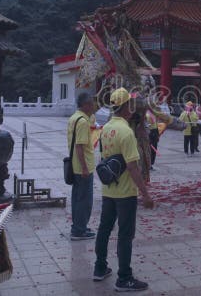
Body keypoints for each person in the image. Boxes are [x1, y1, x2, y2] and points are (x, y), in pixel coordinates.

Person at [94, 88, 155, 291]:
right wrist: (145, 193)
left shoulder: (106, 128)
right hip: (126, 192)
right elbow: (132, 166)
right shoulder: (126, 132)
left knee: (104, 229)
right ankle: (124, 278)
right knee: (125, 234)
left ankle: (100, 268)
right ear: (126, 107)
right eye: (131, 103)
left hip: (109, 190)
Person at [68, 92, 97, 241]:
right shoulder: (82, 122)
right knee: (84, 200)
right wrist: (85, 168)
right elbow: (79, 146)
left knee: (77, 198)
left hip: (76, 166)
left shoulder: (75, 118)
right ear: (85, 105)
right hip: (82, 168)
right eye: (91, 103)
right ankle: (79, 230)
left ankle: (78, 226)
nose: (93, 106)